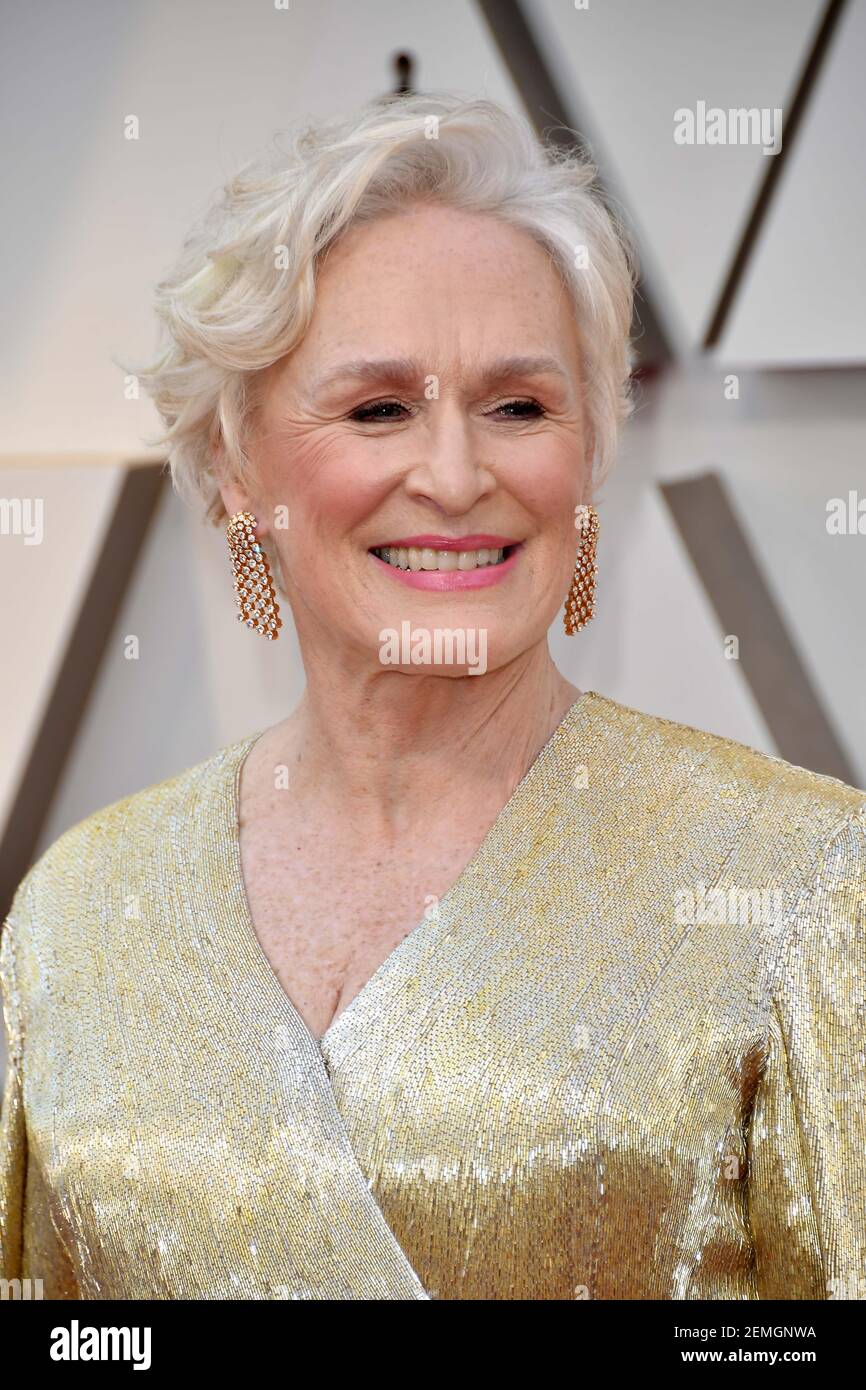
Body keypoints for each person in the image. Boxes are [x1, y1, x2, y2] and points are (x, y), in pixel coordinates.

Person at [1, 92, 864, 1301]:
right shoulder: (78, 918)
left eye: (517, 405)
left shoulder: (799, 884)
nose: (456, 475)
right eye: (378, 409)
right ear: (236, 471)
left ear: (589, 454)